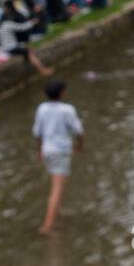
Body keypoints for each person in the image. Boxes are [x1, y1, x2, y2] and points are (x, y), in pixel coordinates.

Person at [32, 79, 84, 235]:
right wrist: (80, 145)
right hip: (60, 152)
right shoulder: (67, 110)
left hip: (47, 150)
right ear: (62, 93)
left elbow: (37, 132)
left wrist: (39, 150)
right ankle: (47, 227)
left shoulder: (42, 109)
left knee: (55, 183)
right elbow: (78, 131)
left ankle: (58, 212)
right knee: (57, 189)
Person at [0, 0, 52, 76]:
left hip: (9, 47)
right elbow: (22, 27)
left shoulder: (2, 25)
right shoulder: (7, 24)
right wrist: (33, 22)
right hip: (10, 48)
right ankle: (43, 70)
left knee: (29, 50)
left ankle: (39, 68)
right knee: (28, 51)